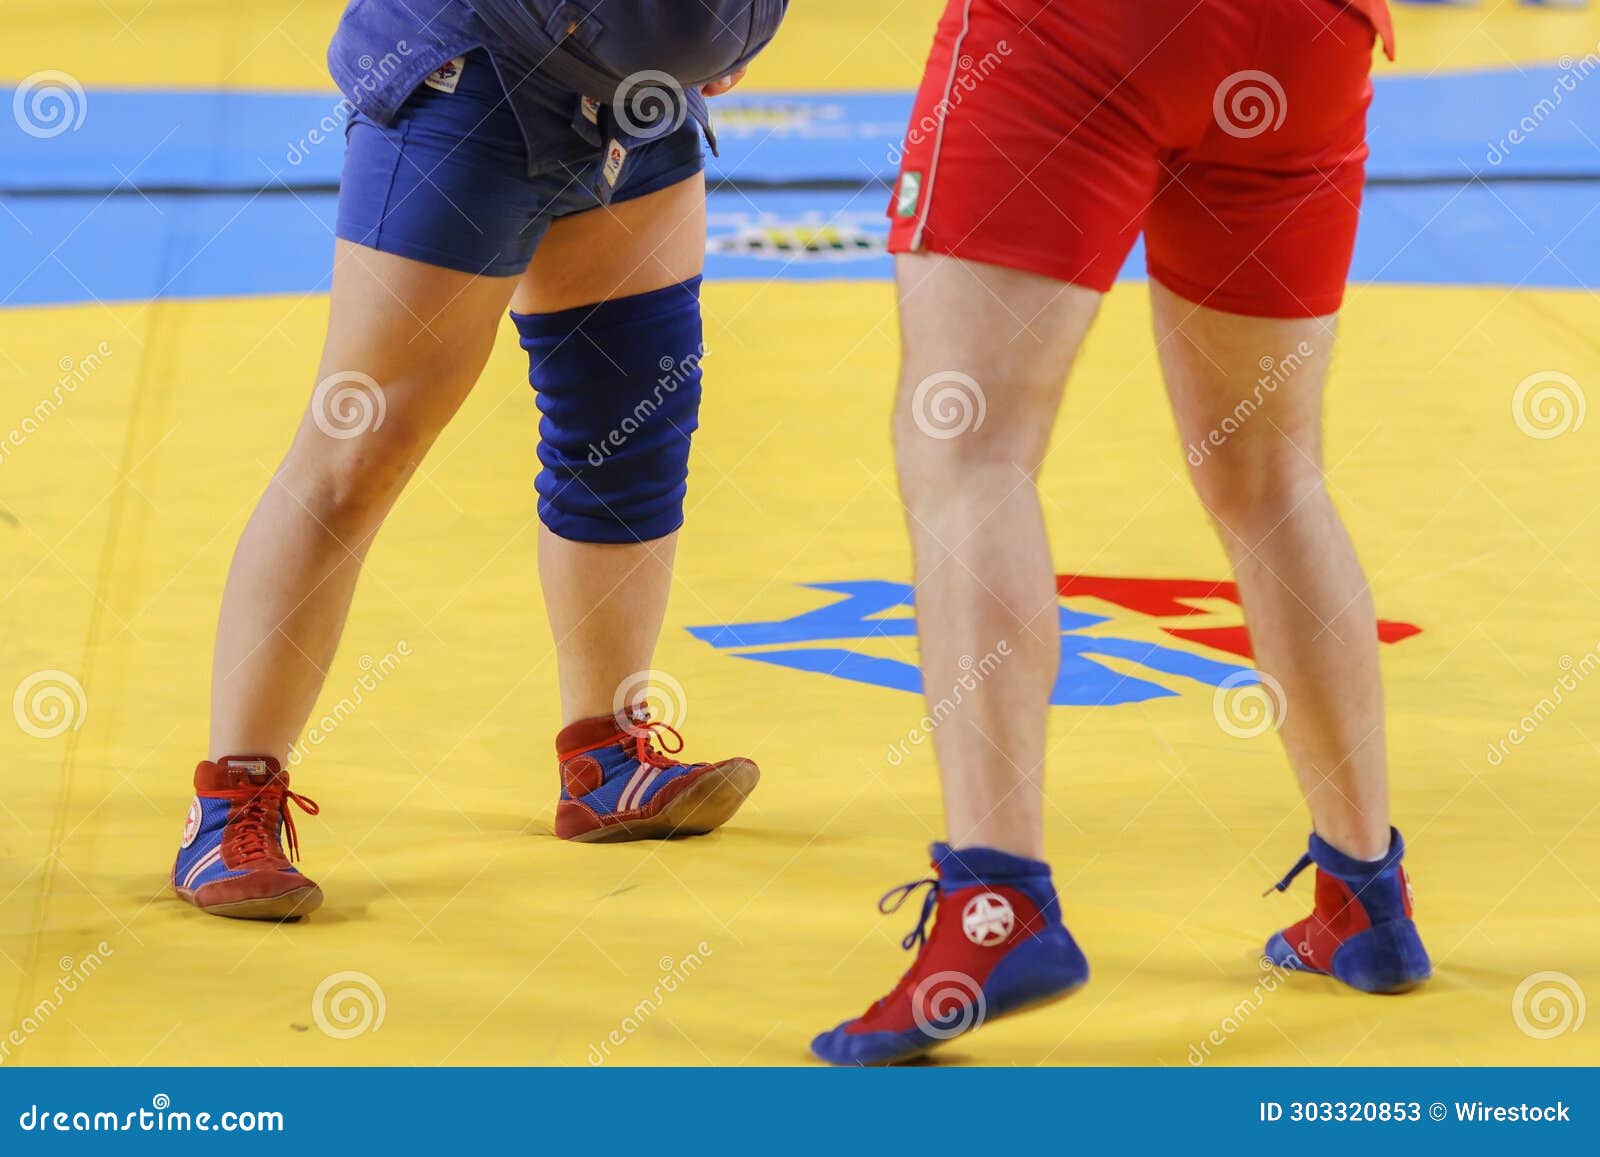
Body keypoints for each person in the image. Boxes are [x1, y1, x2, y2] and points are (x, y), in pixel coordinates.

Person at [812, 0, 1432, 1065]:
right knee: (1268, 471)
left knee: (971, 449)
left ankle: (995, 900)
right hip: (1305, 38)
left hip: (1080, 29)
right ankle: (1363, 890)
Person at [171, 0, 787, 919]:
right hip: (476, 81)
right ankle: (230, 801)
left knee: (630, 428)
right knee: (358, 453)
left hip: (639, 95)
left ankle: (607, 755)